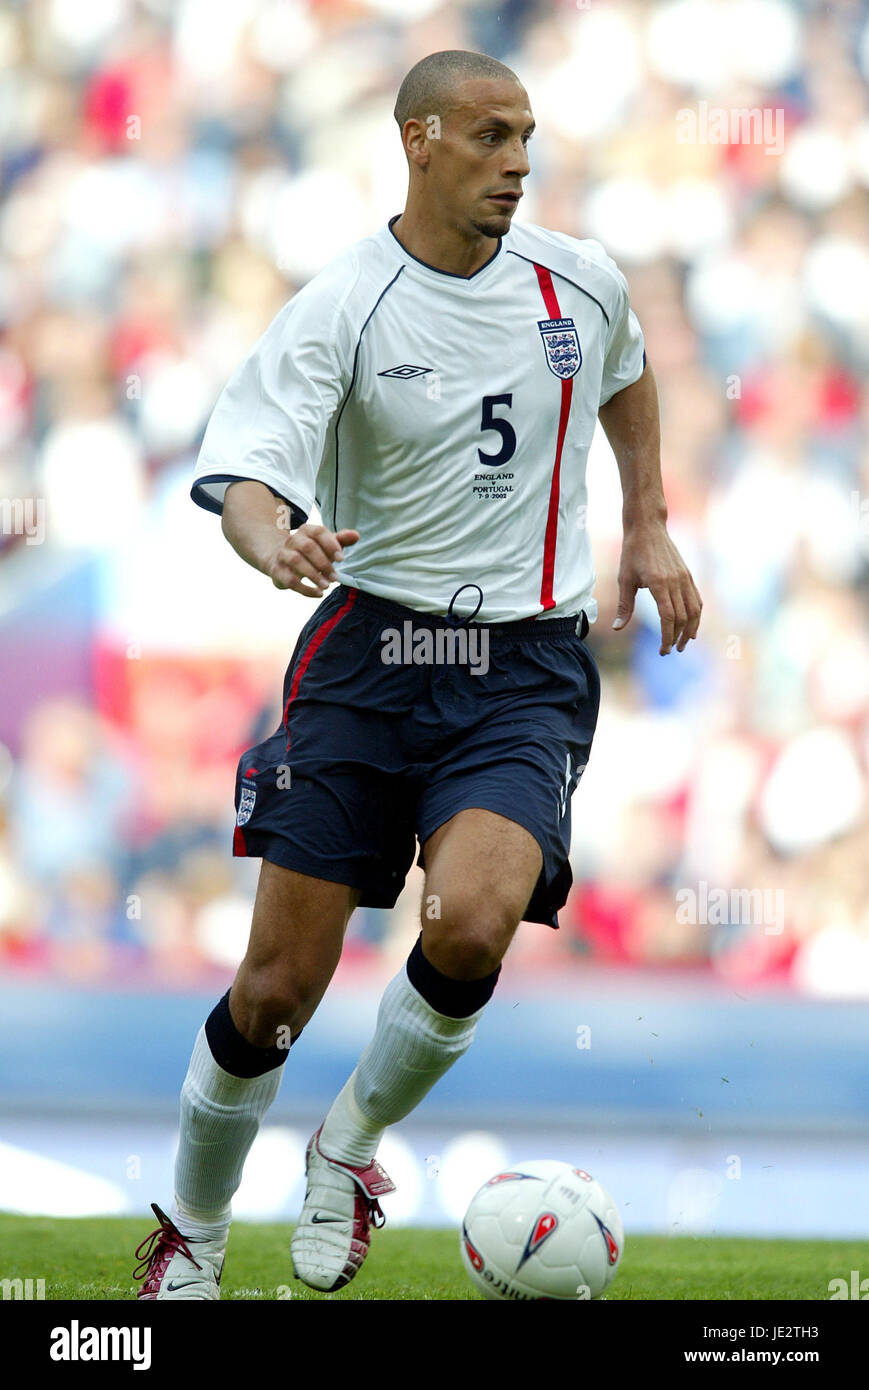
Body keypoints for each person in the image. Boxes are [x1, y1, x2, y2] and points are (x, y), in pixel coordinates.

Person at [133, 48, 701, 1300]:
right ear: (419, 140)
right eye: (490, 138)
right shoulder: (344, 305)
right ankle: (195, 1225)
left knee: (477, 922)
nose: (516, 164)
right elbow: (246, 474)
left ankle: (348, 1147)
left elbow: (628, 375)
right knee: (278, 989)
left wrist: (647, 521)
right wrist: (273, 537)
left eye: (527, 140)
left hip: (522, 664)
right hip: (369, 654)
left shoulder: (577, 281)